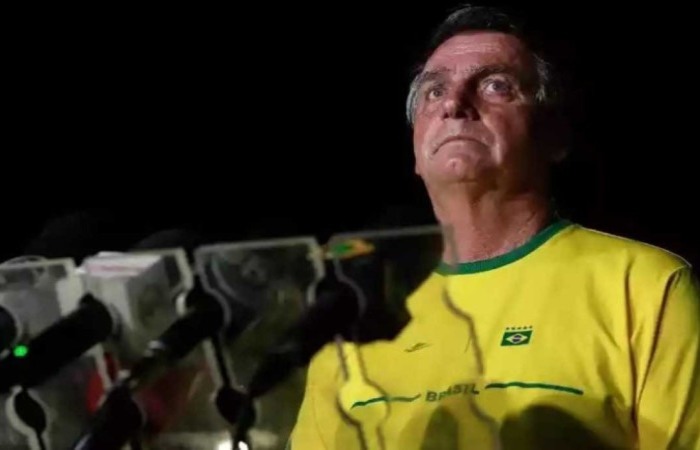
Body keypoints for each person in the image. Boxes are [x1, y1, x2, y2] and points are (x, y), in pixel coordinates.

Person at [289, 4, 700, 449]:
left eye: (495, 85)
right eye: (434, 91)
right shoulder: (355, 315)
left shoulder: (644, 285)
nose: (454, 104)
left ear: (554, 136)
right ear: (415, 149)